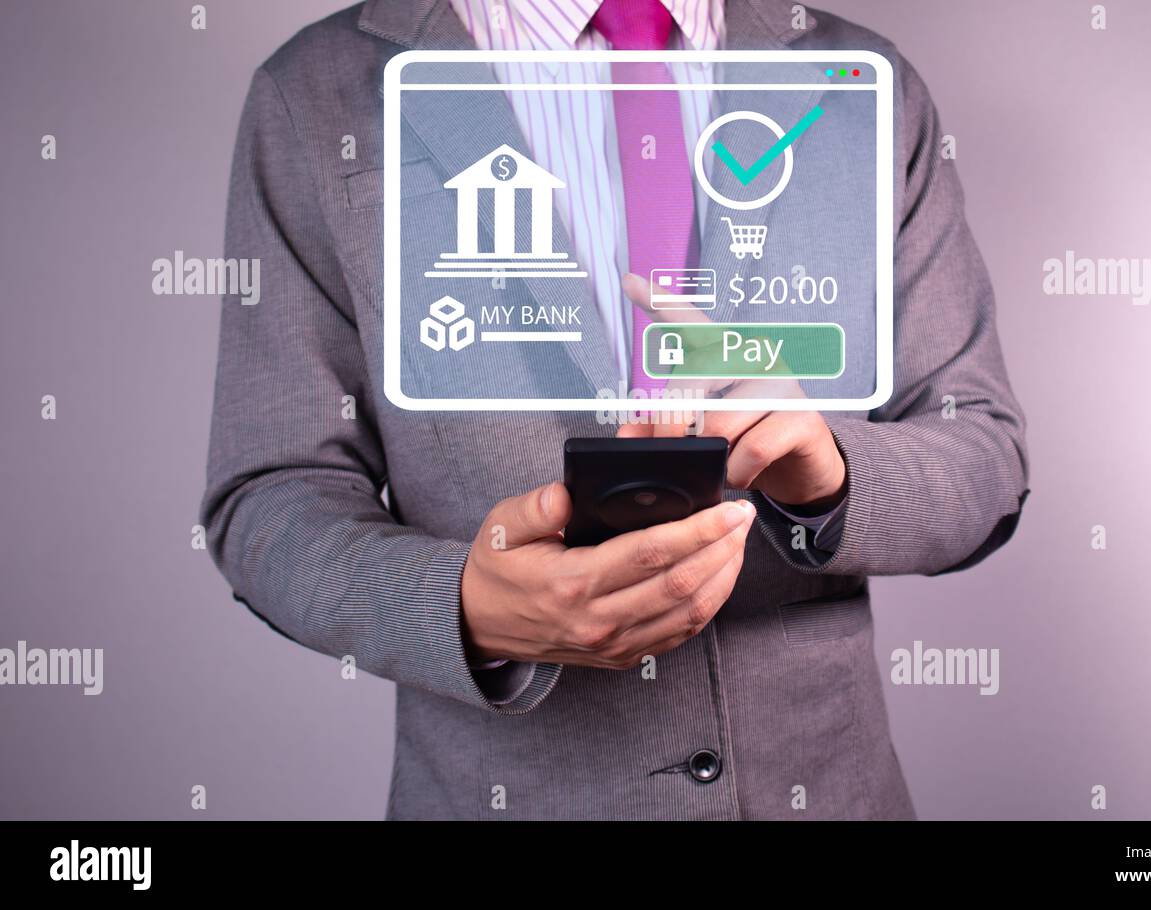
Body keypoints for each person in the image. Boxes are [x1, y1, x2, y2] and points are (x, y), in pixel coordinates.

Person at [201, 0, 1028, 820]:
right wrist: (461, 605)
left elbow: (983, 455)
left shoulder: (866, 83)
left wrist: (836, 474)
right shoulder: (313, 93)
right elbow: (271, 498)